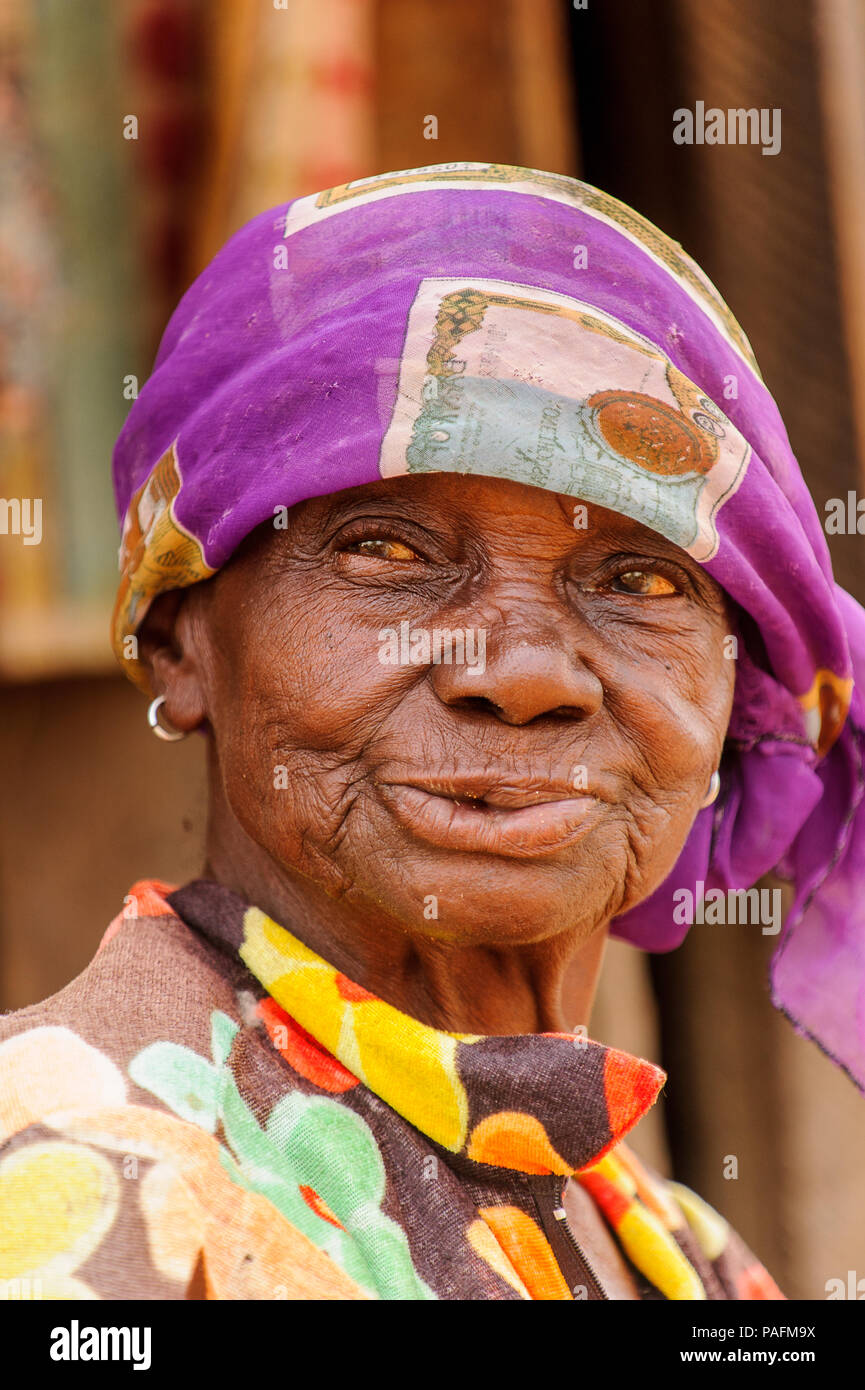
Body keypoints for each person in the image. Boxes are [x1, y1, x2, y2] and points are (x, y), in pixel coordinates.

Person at [3, 162, 864, 1301]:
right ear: (179, 638)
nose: (520, 677)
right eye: (388, 552)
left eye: (639, 577)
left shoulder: (668, 1244)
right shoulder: (84, 1170)